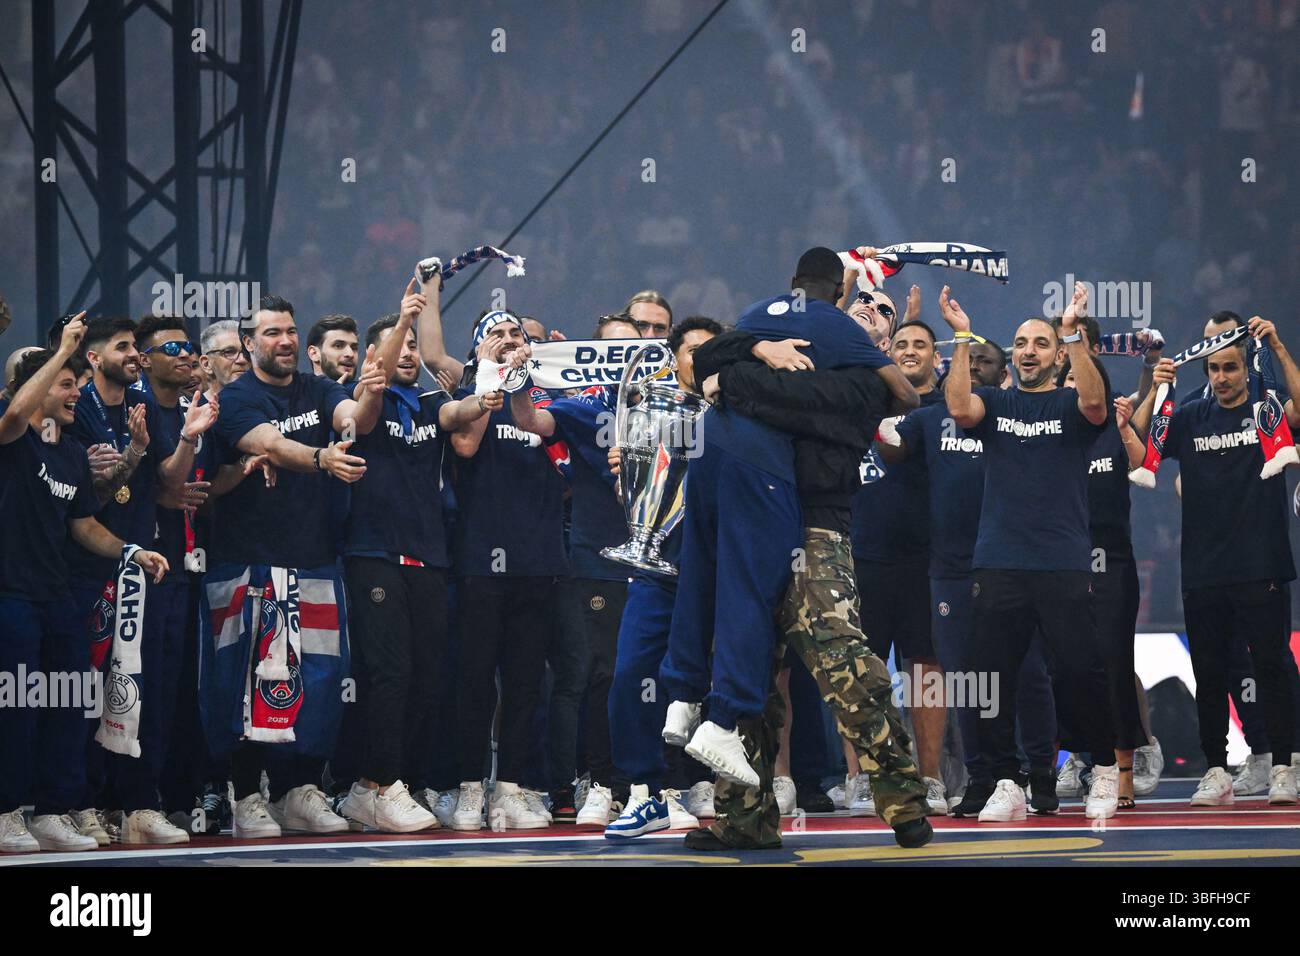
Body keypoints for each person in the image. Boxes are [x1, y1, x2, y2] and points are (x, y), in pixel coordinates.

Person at [676, 312, 934, 850]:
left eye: (866, 322)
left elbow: (792, 403)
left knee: (847, 666)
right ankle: (744, 817)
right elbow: (705, 362)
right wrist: (757, 356)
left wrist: (739, 378)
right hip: (753, 524)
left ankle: (905, 802)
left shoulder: (865, 385)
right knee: (745, 671)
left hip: (816, 532)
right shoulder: (787, 357)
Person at [201, 294, 386, 839]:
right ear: (250, 343)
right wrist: (318, 458)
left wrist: (369, 395)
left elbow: (352, 418)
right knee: (247, 681)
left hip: (314, 559)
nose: (284, 340)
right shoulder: (235, 398)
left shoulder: (319, 387)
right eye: (272, 333)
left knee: (320, 681)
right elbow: (266, 443)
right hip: (247, 561)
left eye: (289, 331)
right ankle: (246, 794)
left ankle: (298, 789)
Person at [940, 281, 1121, 822]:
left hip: (1062, 561)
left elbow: (1096, 403)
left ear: (1056, 353)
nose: (1027, 351)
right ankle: (1004, 781)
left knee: (1078, 672)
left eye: (1040, 343)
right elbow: (957, 406)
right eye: (1021, 343)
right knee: (989, 676)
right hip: (998, 561)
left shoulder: (1071, 402)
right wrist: (963, 338)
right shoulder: (994, 402)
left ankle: (1104, 768)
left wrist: (1072, 335)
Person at [0, 319, 168, 853]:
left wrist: (131, 551)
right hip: (11, 596)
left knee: (69, 708)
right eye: (65, 385)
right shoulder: (12, 439)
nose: (76, 394)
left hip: (59, 597)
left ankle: (53, 811)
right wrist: (68, 349)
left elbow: (85, 525)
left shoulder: (70, 453)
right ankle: (6, 812)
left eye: (77, 383)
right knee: (15, 710)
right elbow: (13, 414)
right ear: (37, 388)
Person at [336, 288, 500, 833]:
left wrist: (487, 398)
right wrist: (407, 318)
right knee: (388, 673)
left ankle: (391, 783)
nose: (407, 354)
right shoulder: (364, 397)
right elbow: (363, 414)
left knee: (427, 677)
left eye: (411, 347)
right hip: (374, 553)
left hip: (429, 558)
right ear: (373, 356)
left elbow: (458, 411)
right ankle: (374, 784)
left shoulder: (430, 403)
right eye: (395, 347)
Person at [1133, 316, 1300, 805]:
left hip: (1262, 563)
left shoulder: (1266, 408)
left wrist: (1280, 349)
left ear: (1246, 367)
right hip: (1204, 570)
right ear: (1204, 372)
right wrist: (1154, 387)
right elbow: (1140, 441)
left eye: (1230, 368)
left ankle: (1287, 765)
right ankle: (1215, 768)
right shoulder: (1188, 414)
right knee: (1209, 673)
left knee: (1271, 667)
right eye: (1213, 370)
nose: (1222, 378)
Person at [507, 313, 644, 826]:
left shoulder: (673, 403)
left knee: (659, 672)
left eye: (633, 347)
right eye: (611, 347)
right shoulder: (582, 405)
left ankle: (664, 782)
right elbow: (531, 423)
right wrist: (521, 381)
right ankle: (601, 783)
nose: (622, 357)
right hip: (598, 554)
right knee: (600, 674)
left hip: (665, 555)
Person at [446, 310, 565, 831]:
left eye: (516, 334)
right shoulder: (471, 398)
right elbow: (465, 445)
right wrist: (490, 372)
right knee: (474, 681)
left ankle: (511, 788)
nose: (510, 341)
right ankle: (470, 786)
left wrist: (523, 375)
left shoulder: (544, 396)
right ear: (476, 347)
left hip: (537, 559)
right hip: (479, 560)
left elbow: (554, 454)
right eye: (496, 334)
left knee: (523, 682)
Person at [851, 319, 950, 814]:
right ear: (888, 351)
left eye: (921, 345)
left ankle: (929, 779)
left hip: (926, 557)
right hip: (861, 551)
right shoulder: (863, 400)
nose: (911, 351)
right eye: (902, 344)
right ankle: (862, 779)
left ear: (938, 356)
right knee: (859, 671)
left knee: (926, 669)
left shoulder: (949, 408)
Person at [306, 314, 359, 382]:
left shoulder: (366, 391)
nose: (350, 354)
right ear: (314, 353)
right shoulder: (296, 391)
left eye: (354, 348)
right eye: (338, 346)